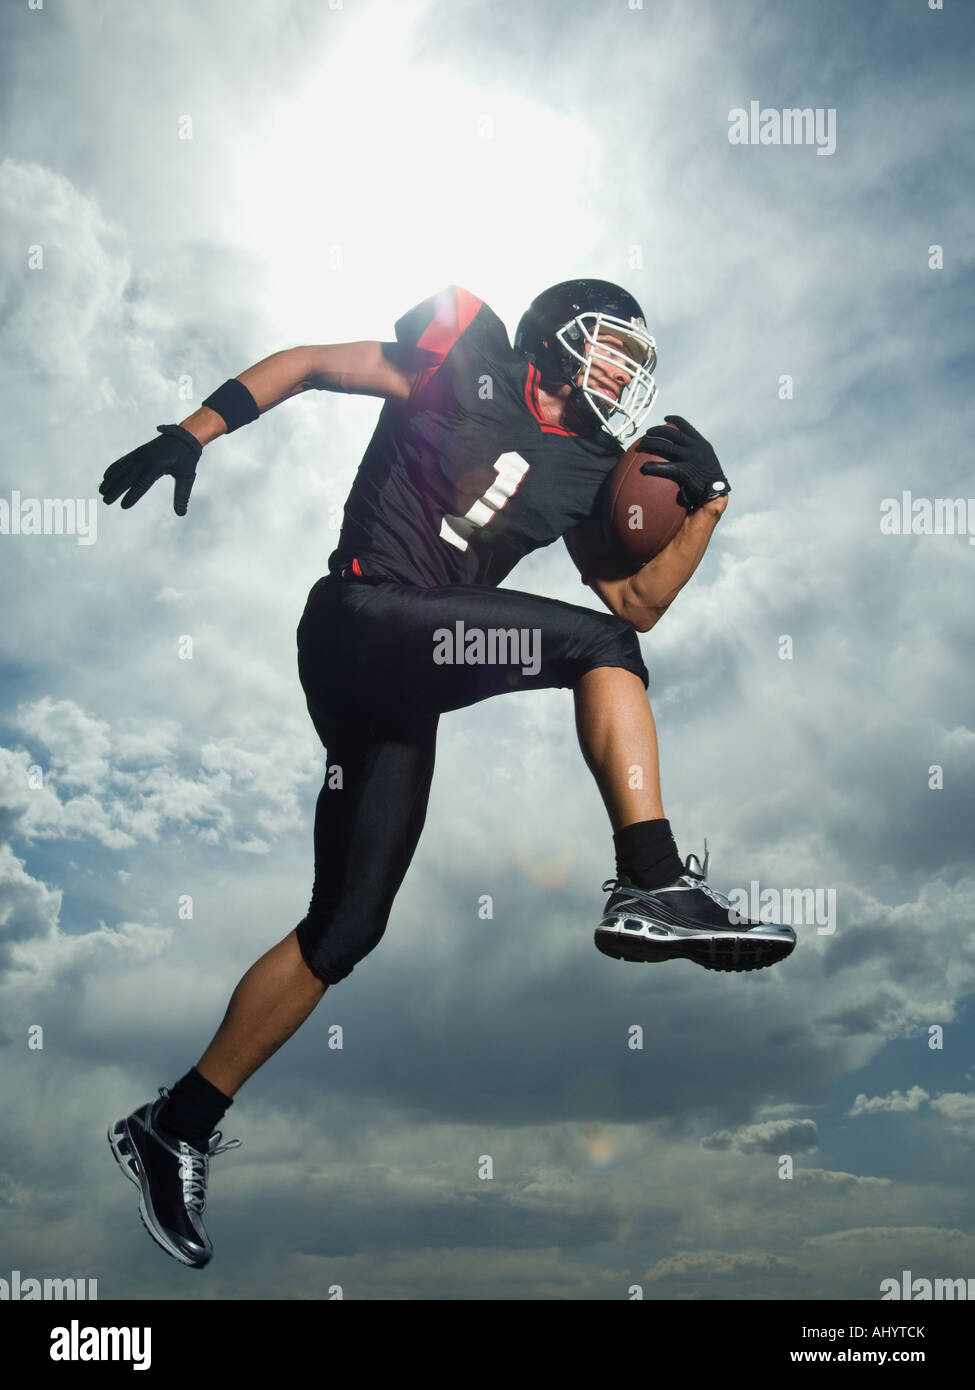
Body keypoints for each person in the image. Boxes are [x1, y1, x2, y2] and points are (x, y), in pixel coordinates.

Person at [100, 278, 796, 1269]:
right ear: (561, 338)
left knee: (344, 931)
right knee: (592, 648)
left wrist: (709, 510)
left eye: (636, 368)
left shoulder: (595, 466)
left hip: (413, 673)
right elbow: (306, 363)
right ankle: (653, 877)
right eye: (614, 353)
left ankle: (174, 1124)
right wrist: (193, 430)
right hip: (360, 617)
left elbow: (637, 603)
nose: (625, 378)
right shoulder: (461, 353)